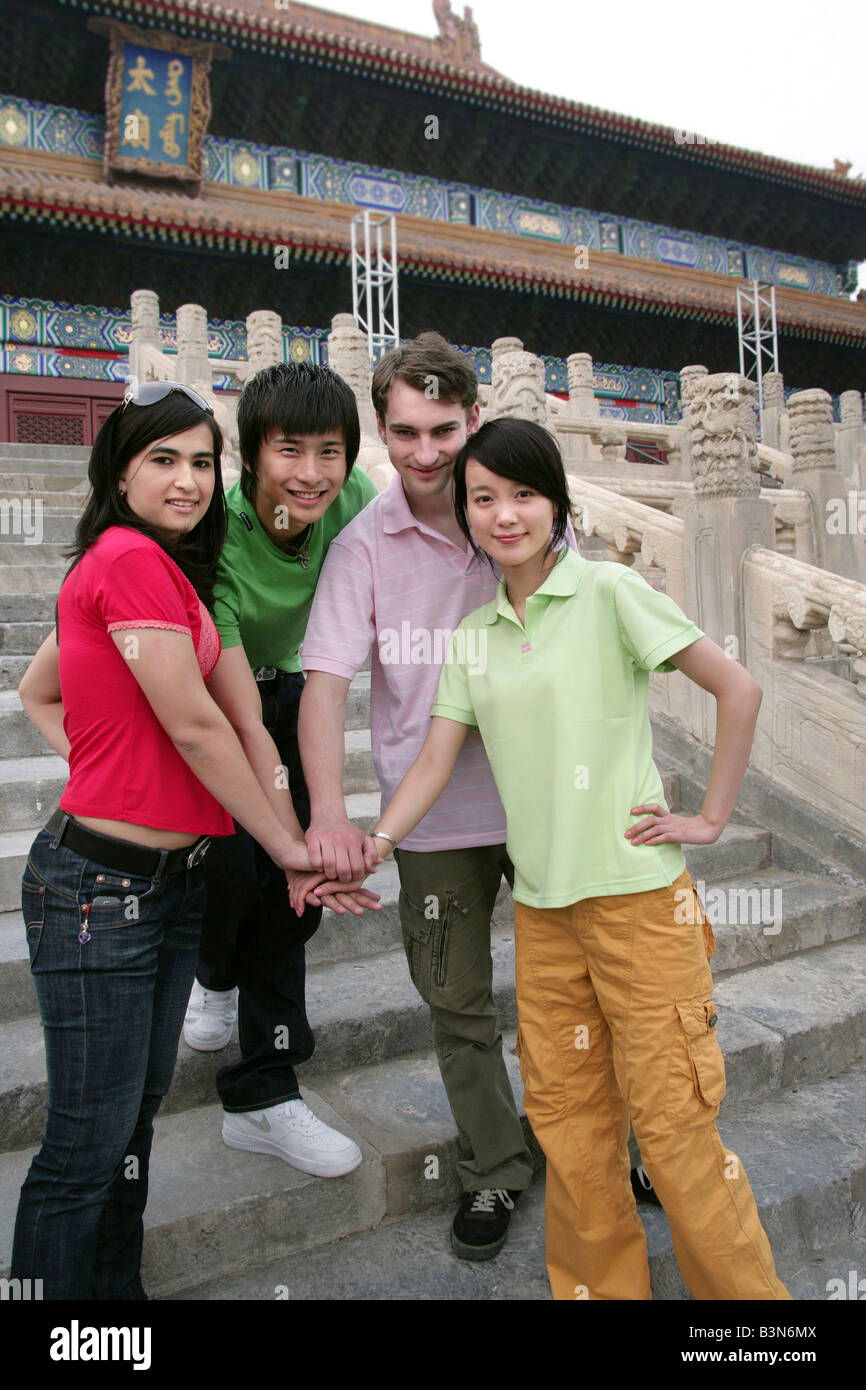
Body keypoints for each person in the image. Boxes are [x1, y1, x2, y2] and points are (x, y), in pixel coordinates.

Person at [292, 416, 791, 1301]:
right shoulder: (475, 638)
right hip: (545, 916)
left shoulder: (608, 592)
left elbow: (737, 685)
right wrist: (371, 846)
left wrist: (713, 817)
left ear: (556, 503)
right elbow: (434, 760)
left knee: (674, 1130)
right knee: (572, 1128)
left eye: (523, 494)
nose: (504, 514)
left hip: (638, 905)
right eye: (483, 498)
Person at [12, 382, 320, 1300]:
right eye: (163, 459)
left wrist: (293, 840)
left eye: (201, 461)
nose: (188, 480)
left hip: (171, 886)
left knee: (131, 1125)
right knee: (86, 1142)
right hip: (98, 893)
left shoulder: (170, 574)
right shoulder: (127, 560)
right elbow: (196, 730)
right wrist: (284, 847)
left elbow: (48, 693)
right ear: (118, 470)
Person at [298, 333, 535, 1260]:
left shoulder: (514, 512)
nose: (426, 452)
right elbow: (324, 683)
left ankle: (612, 1147)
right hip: (432, 818)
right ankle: (491, 1169)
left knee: (583, 997)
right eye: (404, 433)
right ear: (380, 431)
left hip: (548, 800)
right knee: (457, 1001)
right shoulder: (362, 547)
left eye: (444, 429)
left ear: (473, 417)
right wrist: (326, 812)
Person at [182, 361, 380, 1178]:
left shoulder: (357, 499)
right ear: (251, 456)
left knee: (293, 901)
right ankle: (211, 971)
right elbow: (234, 704)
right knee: (232, 871)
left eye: (328, 451)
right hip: (220, 697)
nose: (309, 474)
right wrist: (291, 823)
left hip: (304, 691)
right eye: (288, 450)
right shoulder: (215, 532)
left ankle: (263, 1093)